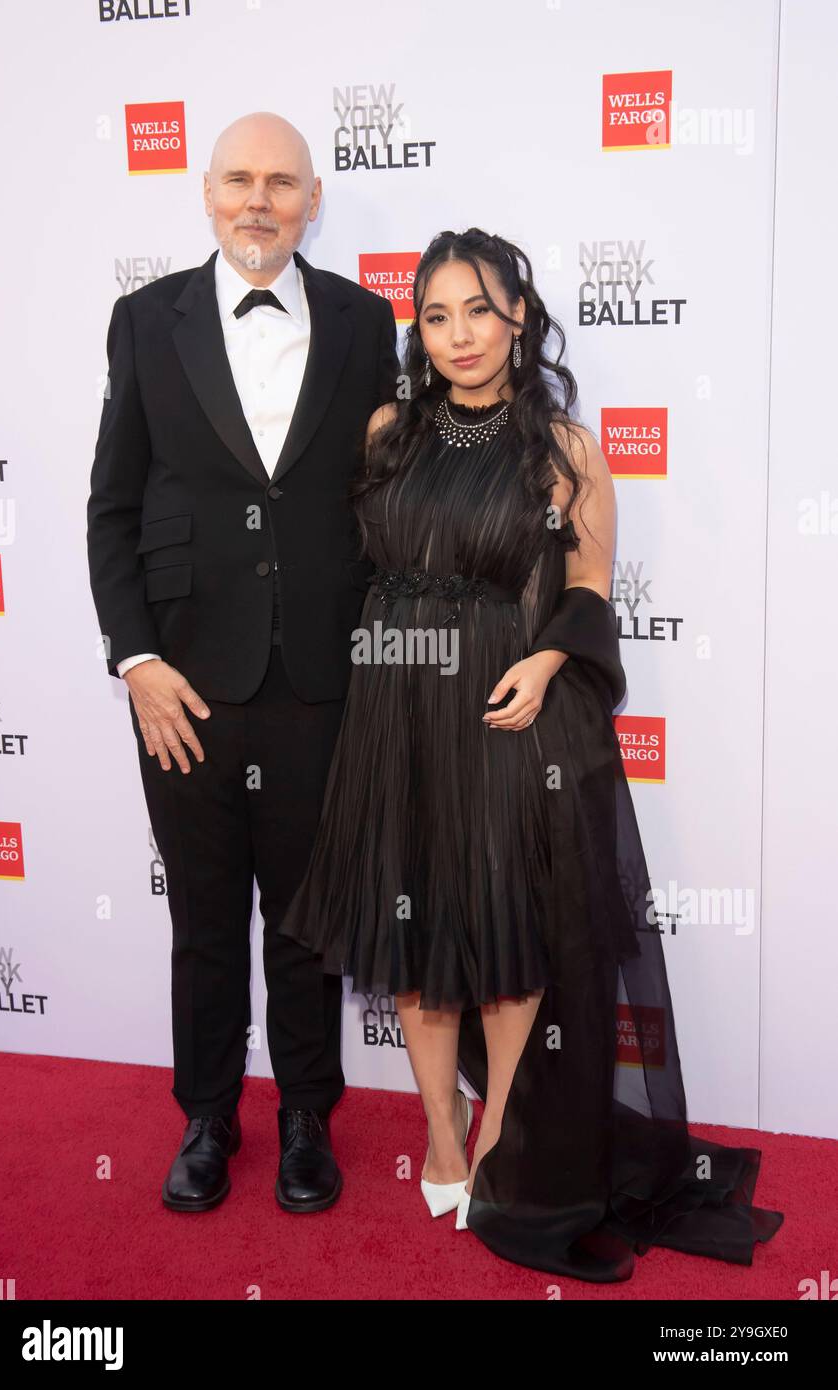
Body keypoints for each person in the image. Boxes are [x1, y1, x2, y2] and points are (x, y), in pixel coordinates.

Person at [277, 227, 784, 1281]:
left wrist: (552, 661)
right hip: (396, 716)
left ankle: (502, 1128)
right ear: (417, 328)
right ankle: (440, 1136)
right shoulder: (384, 432)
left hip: (509, 716)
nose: (458, 334)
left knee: (506, 939)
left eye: (478, 309)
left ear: (518, 315)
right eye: (435, 314)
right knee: (415, 949)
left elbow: (591, 588)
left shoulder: (564, 448)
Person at [86, 112, 399, 1215]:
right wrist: (134, 657)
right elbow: (112, 506)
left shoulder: (368, 323)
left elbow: (382, 495)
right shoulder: (143, 320)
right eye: (238, 180)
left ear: (313, 198)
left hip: (323, 680)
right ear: (205, 193)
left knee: (309, 918)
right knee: (205, 915)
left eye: (280, 181)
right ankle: (209, 1116)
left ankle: (308, 1114)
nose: (258, 200)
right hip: (184, 685)